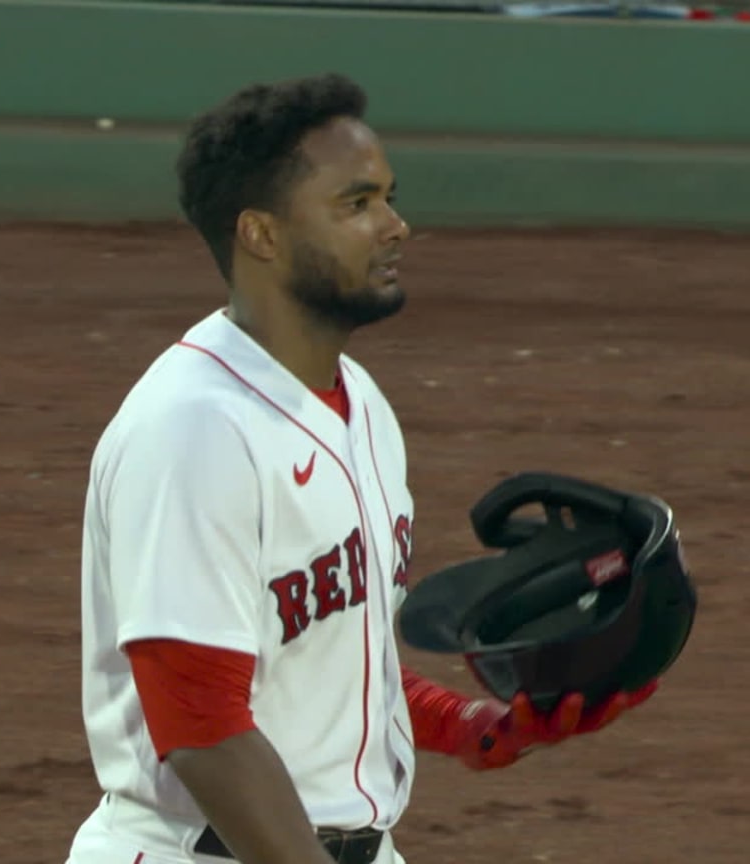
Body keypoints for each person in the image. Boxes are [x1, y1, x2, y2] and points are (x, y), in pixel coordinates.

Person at [64, 72, 659, 864]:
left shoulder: (361, 405)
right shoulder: (194, 432)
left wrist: (474, 728)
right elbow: (203, 732)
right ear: (261, 235)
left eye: (387, 197)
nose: (396, 226)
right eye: (356, 204)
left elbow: (334, 657)